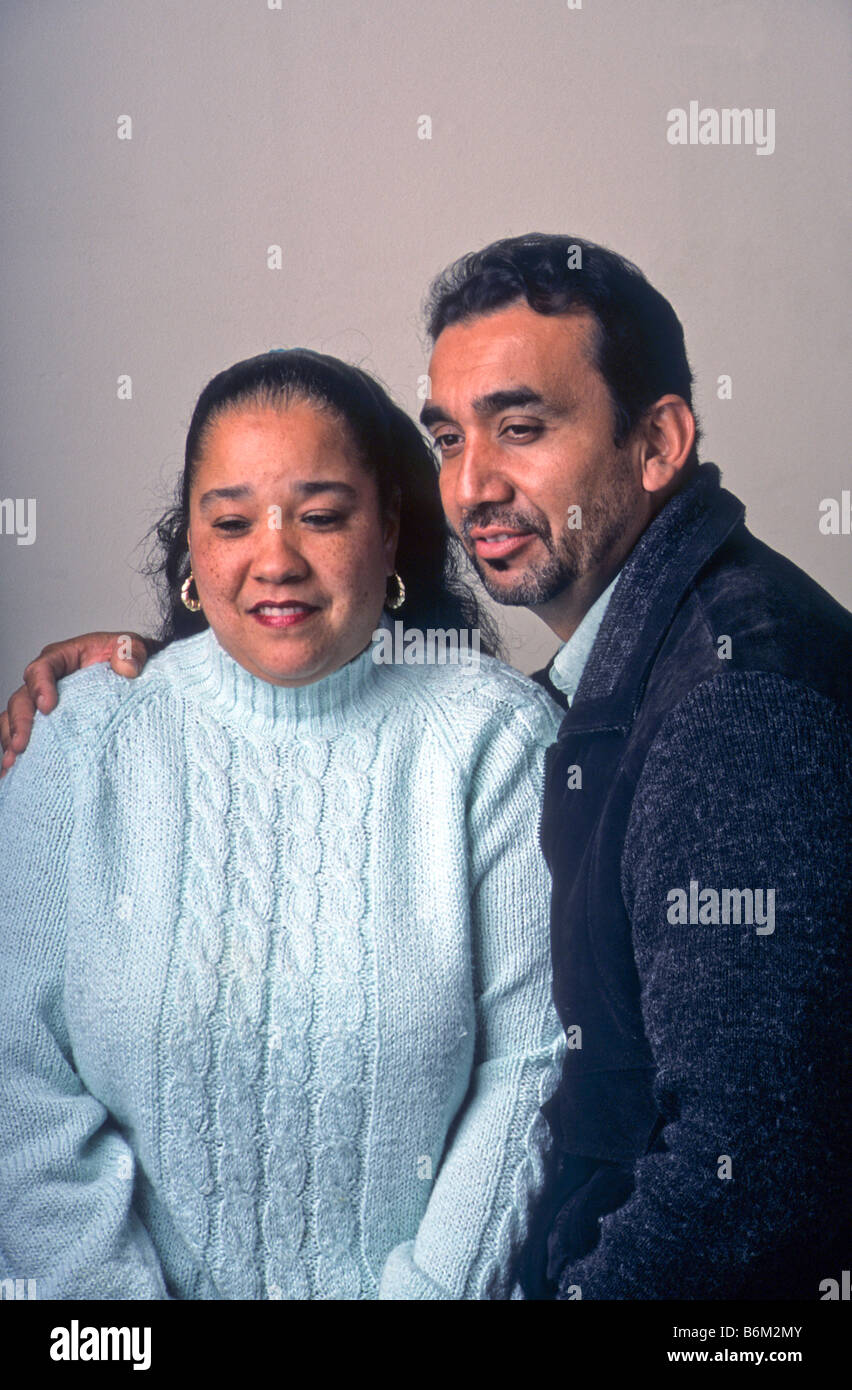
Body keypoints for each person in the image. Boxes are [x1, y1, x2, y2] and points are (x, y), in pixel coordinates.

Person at [6, 234, 851, 1301]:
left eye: (523, 427)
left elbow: (756, 1169)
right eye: (451, 437)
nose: (476, 483)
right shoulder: (618, 672)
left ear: (659, 442)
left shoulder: (732, 696)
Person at [0, 347, 566, 1301]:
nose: (274, 558)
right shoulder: (82, 735)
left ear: (389, 530)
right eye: (230, 521)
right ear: (193, 547)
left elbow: (530, 1073)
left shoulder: (492, 740)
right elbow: (18, 1078)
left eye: (321, 516)